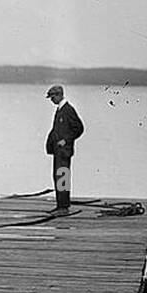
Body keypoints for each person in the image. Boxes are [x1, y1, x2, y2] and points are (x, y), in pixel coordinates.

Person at [44, 85, 84, 214]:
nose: (52, 100)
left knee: (63, 177)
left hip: (64, 151)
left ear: (59, 95)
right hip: (58, 151)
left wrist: (65, 140)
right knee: (58, 177)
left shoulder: (68, 110)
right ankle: (60, 205)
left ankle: (64, 207)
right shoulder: (60, 110)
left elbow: (79, 128)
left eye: (53, 97)